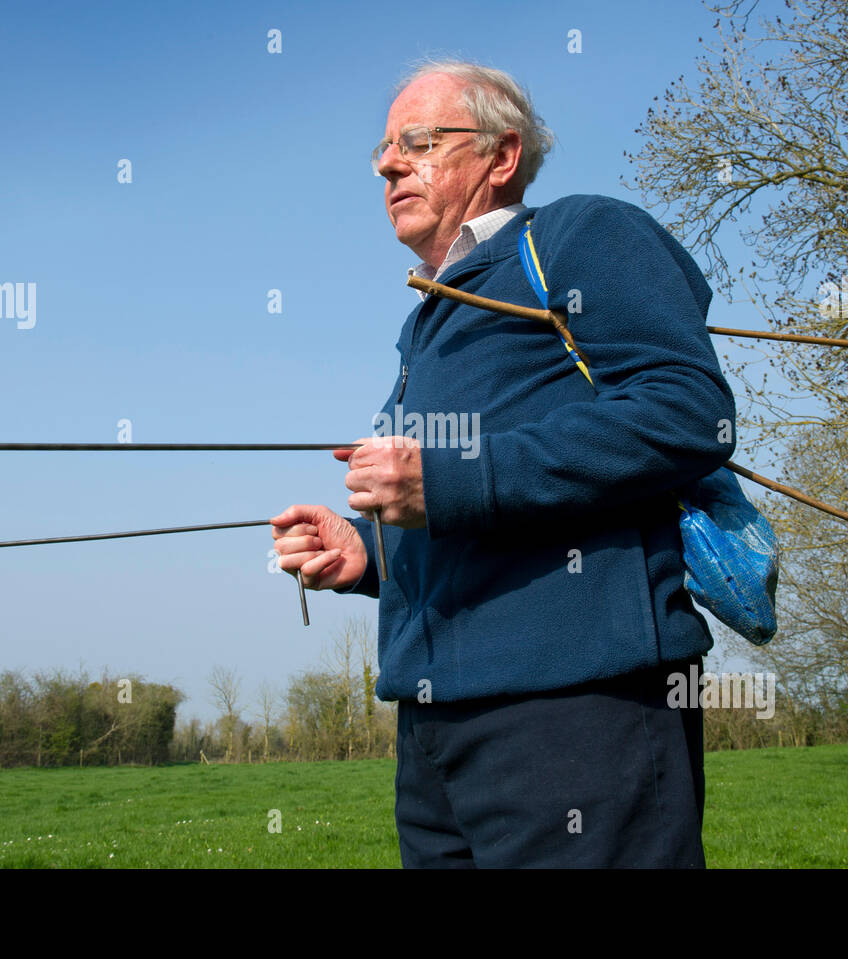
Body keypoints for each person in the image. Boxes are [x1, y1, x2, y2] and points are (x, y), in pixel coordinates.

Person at [270, 61, 736, 867]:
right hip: (433, 737)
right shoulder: (429, 322)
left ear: (501, 155)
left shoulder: (577, 236)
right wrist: (367, 551)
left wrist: (446, 479)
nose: (387, 164)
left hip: (574, 715)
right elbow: (465, 508)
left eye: (417, 142)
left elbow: (689, 412)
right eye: (384, 148)